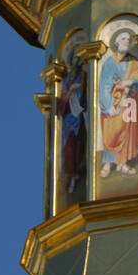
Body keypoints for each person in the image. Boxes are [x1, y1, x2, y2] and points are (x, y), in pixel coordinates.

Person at [99, 29, 138, 179]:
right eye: (123, 39)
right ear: (117, 43)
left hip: (129, 102)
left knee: (127, 131)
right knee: (113, 132)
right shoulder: (110, 62)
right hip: (114, 103)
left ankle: (122, 163)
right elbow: (104, 86)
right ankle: (108, 163)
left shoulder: (133, 61)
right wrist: (109, 106)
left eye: (128, 39)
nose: (126, 41)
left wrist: (130, 81)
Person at [59, 54, 87, 196]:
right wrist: (71, 90)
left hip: (80, 114)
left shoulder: (83, 76)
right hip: (70, 116)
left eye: (79, 62)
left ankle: (76, 175)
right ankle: (72, 175)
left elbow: (87, 91)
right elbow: (63, 97)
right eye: (74, 62)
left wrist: (81, 86)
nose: (77, 64)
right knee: (69, 146)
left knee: (79, 145)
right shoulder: (68, 79)